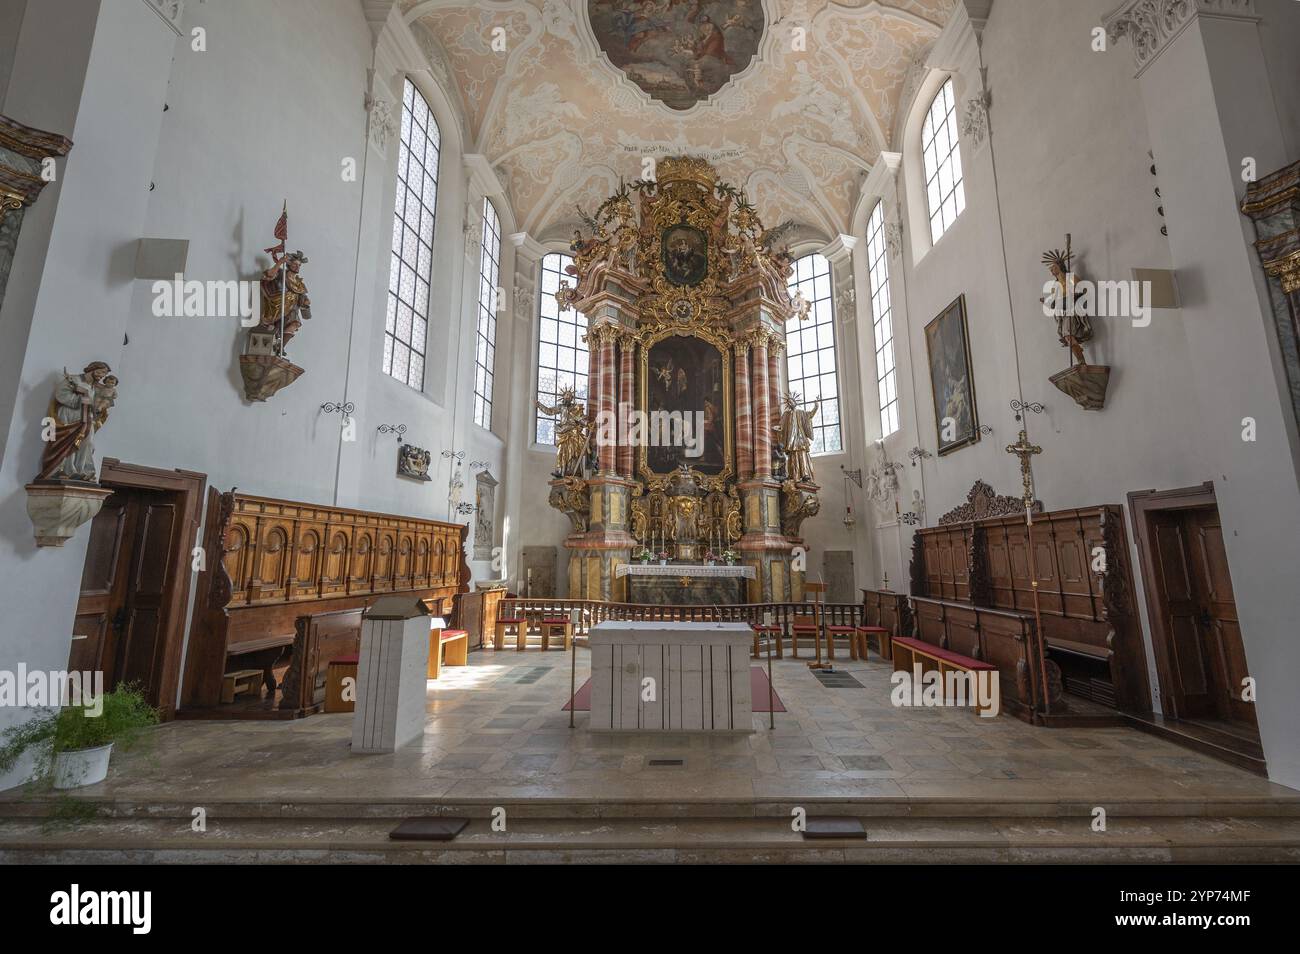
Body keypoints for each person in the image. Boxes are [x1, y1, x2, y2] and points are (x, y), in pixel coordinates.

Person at [38, 362, 113, 482]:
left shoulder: (94, 387)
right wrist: (81, 399)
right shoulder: (74, 379)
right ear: (93, 369)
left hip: (87, 418)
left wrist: (99, 407)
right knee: (70, 442)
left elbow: (95, 402)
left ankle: (82, 470)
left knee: (88, 443)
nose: (102, 376)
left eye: (104, 374)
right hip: (70, 414)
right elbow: (61, 394)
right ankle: (67, 470)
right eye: (102, 372)